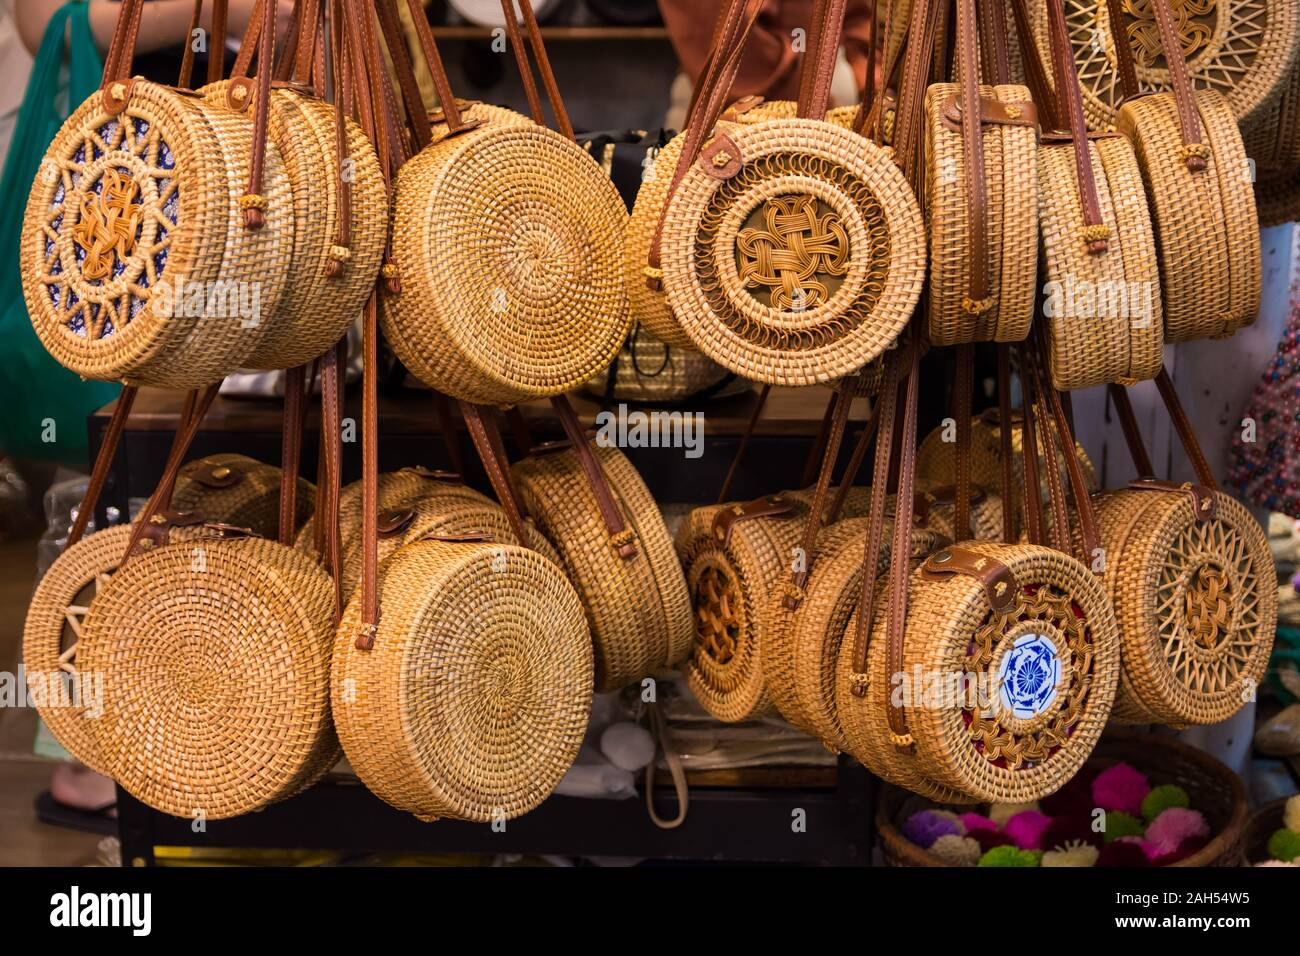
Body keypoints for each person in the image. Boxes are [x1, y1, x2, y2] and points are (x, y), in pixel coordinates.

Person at [657, 0, 875, 129]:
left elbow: (855, 15)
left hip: (833, 93)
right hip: (732, 103)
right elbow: (713, 22)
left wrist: (861, 69)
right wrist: (814, 97)